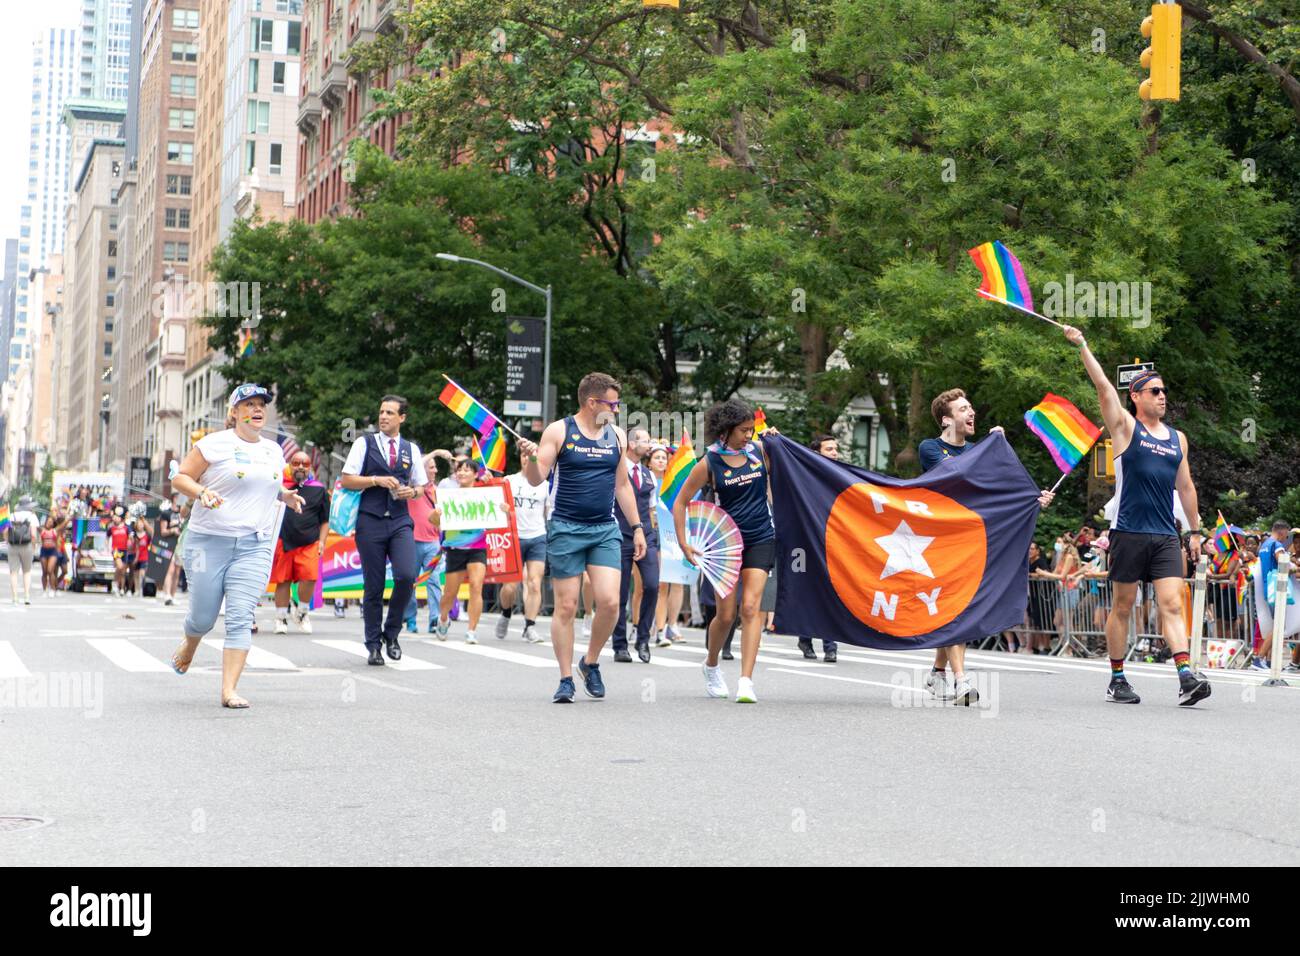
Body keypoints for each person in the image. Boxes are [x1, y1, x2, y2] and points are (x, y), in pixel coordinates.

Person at [1065, 329, 1211, 705]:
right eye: (1155, 391)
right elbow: (1102, 386)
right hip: (1128, 531)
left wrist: (1194, 532)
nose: (1162, 397)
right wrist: (1083, 345)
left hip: (1164, 534)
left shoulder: (1177, 439)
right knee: (1124, 606)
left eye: (1164, 391)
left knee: (1173, 604)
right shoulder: (1126, 428)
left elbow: (1187, 487)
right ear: (1136, 396)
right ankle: (1117, 678)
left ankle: (1185, 675)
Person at [167, 384, 305, 708]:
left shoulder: (273, 450)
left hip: (253, 545)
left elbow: (268, 486)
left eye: (261, 405)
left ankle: (229, 690)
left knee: (241, 616)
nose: (257, 410)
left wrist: (285, 495)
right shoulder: (214, 444)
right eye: (249, 404)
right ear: (234, 412)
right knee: (202, 617)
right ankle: (190, 643)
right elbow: (181, 478)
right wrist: (201, 492)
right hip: (207, 542)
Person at [918, 389, 1055, 703]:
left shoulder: (979, 450)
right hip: (940, 540)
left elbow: (1002, 490)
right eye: (963, 409)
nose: (971, 413)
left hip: (971, 542)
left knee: (957, 609)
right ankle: (961, 681)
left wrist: (1034, 500)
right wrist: (992, 449)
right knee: (955, 607)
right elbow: (957, 475)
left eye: (971, 408)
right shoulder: (930, 448)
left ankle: (938, 673)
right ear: (945, 419)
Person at [518, 372, 646, 703]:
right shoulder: (559, 431)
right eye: (613, 404)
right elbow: (536, 479)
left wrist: (637, 527)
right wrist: (532, 457)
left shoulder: (616, 435)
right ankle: (564, 679)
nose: (617, 410)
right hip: (565, 527)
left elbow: (622, 485)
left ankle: (589, 662)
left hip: (604, 528)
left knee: (609, 602)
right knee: (567, 605)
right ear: (593, 403)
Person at [672, 398, 778, 704]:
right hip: (724, 545)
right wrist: (683, 542)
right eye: (744, 430)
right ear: (727, 430)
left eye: (751, 429)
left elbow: (792, 466)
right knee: (726, 614)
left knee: (751, 608)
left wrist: (777, 440)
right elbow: (680, 503)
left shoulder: (759, 451)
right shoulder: (710, 462)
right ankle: (712, 664)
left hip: (761, 536)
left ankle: (746, 681)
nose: (749, 435)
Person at [339, 395, 429, 665]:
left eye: (390, 412)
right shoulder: (363, 443)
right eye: (381, 412)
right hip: (371, 520)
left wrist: (410, 491)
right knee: (374, 585)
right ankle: (373, 644)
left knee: (405, 576)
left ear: (402, 417)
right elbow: (347, 480)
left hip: (400, 520)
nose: (384, 417)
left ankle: (392, 633)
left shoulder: (411, 449)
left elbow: (422, 487)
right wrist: (375, 480)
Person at [609, 427, 659, 664]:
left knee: (651, 585)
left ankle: (643, 638)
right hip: (620, 534)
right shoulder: (616, 472)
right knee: (619, 592)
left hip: (646, 536)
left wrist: (655, 536)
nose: (649, 444)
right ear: (630, 444)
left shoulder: (649, 475)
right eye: (644, 441)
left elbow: (651, 509)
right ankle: (619, 644)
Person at [271, 451, 331, 634]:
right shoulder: (280, 487)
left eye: (305, 464)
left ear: (310, 467)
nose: (300, 467)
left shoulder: (318, 489)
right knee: (283, 581)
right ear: (290, 465)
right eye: (296, 463)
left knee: (310, 577)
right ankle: (280, 618)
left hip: (310, 542)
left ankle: (302, 612)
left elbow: (325, 520)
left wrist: (322, 541)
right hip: (284, 540)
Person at [434, 458, 491, 644]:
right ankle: (443, 619)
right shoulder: (448, 496)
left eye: (467, 470)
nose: (462, 473)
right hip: (455, 547)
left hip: (477, 547)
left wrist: (503, 511)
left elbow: (498, 515)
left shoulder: (485, 494)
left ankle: (472, 631)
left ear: (476, 474)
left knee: (476, 586)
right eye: (459, 470)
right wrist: (436, 516)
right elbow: (433, 521)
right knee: (451, 592)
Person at [496, 448, 548, 643]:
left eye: (532, 455)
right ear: (520, 457)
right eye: (524, 454)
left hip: (537, 537)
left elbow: (549, 512)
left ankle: (530, 626)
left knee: (535, 583)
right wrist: (502, 509)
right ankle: (506, 613)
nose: (527, 458)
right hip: (513, 537)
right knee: (509, 586)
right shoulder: (509, 480)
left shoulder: (545, 485)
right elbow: (494, 504)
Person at [796, 434, 841, 662]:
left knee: (829, 590)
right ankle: (805, 637)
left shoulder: (842, 477)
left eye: (836, 449)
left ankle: (830, 645)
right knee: (807, 590)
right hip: (804, 542)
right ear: (816, 453)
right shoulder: (804, 477)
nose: (834, 453)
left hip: (830, 542)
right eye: (829, 449)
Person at [404, 453, 444, 635]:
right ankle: (410, 618)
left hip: (433, 543)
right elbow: (414, 466)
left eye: (435, 467)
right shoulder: (412, 487)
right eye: (431, 467)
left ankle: (434, 619)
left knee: (434, 581)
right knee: (409, 582)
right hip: (411, 541)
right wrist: (435, 453)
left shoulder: (439, 491)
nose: (434, 470)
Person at [1252, 521, 1293, 668]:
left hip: (1267, 587)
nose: (1286, 538)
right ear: (1282, 532)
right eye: (1286, 535)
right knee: (1278, 626)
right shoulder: (1277, 545)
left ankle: (1269, 661)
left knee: (1275, 625)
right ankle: (1259, 658)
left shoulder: (1264, 545)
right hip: (1277, 588)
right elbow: (1284, 564)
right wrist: (1294, 567)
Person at [7, 496, 41, 605]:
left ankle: (15, 597)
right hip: (27, 545)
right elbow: (33, 535)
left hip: (13, 545)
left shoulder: (11, 515)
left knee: (13, 572)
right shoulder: (32, 516)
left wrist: (8, 541)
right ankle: (26, 596)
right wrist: (34, 546)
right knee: (27, 572)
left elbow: (5, 531)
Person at [39, 512, 66, 597]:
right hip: (44, 551)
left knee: (50, 570)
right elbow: (34, 525)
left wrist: (70, 517)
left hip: (53, 552)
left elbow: (64, 524)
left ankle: (52, 589)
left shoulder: (55, 530)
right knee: (44, 572)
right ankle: (44, 590)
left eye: (51, 522)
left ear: (53, 523)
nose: (49, 523)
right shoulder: (41, 530)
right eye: (48, 521)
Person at [106, 509, 132, 597]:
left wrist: (130, 541)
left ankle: (119, 586)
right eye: (114, 517)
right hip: (116, 550)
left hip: (124, 550)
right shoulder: (111, 528)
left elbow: (130, 537)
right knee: (119, 566)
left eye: (117, 517)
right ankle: (115, 584)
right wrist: (107, 547)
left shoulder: (126, 528)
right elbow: (107, 537)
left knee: (122, 570)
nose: (115, 519)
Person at [132, 517, 152, 596]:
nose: (140, 526)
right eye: (139, 524)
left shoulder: (147, 535)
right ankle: (136, 589)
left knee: (142, 573)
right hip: (135, 557)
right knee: (136, 574)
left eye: (141, 524)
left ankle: (141, 588)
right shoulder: (134, 535)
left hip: (144, 557)